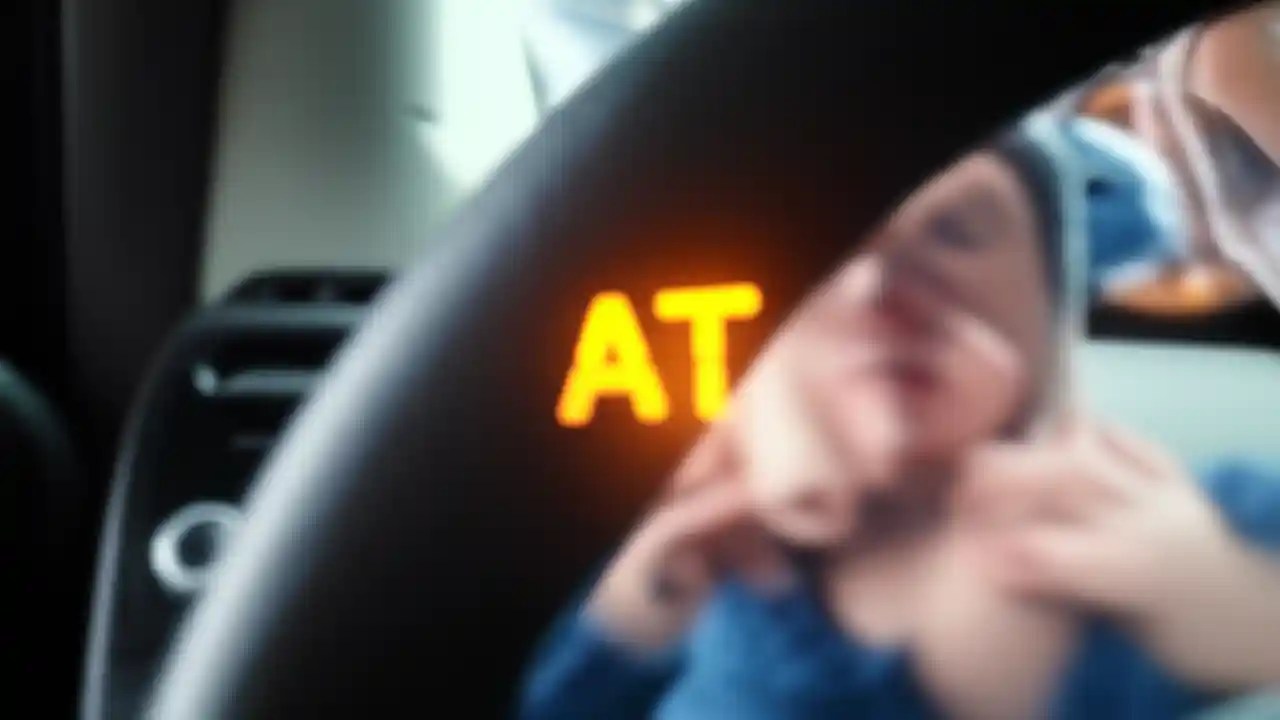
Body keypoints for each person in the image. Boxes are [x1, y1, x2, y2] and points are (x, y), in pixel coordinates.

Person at [517, 125, 1280, 720]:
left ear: (1047, 316)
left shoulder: (1223, 517)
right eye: (821, 250)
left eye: (954, 233)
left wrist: (1238, 602)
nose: (876, 283)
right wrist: (627, 624)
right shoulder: (666, 562)